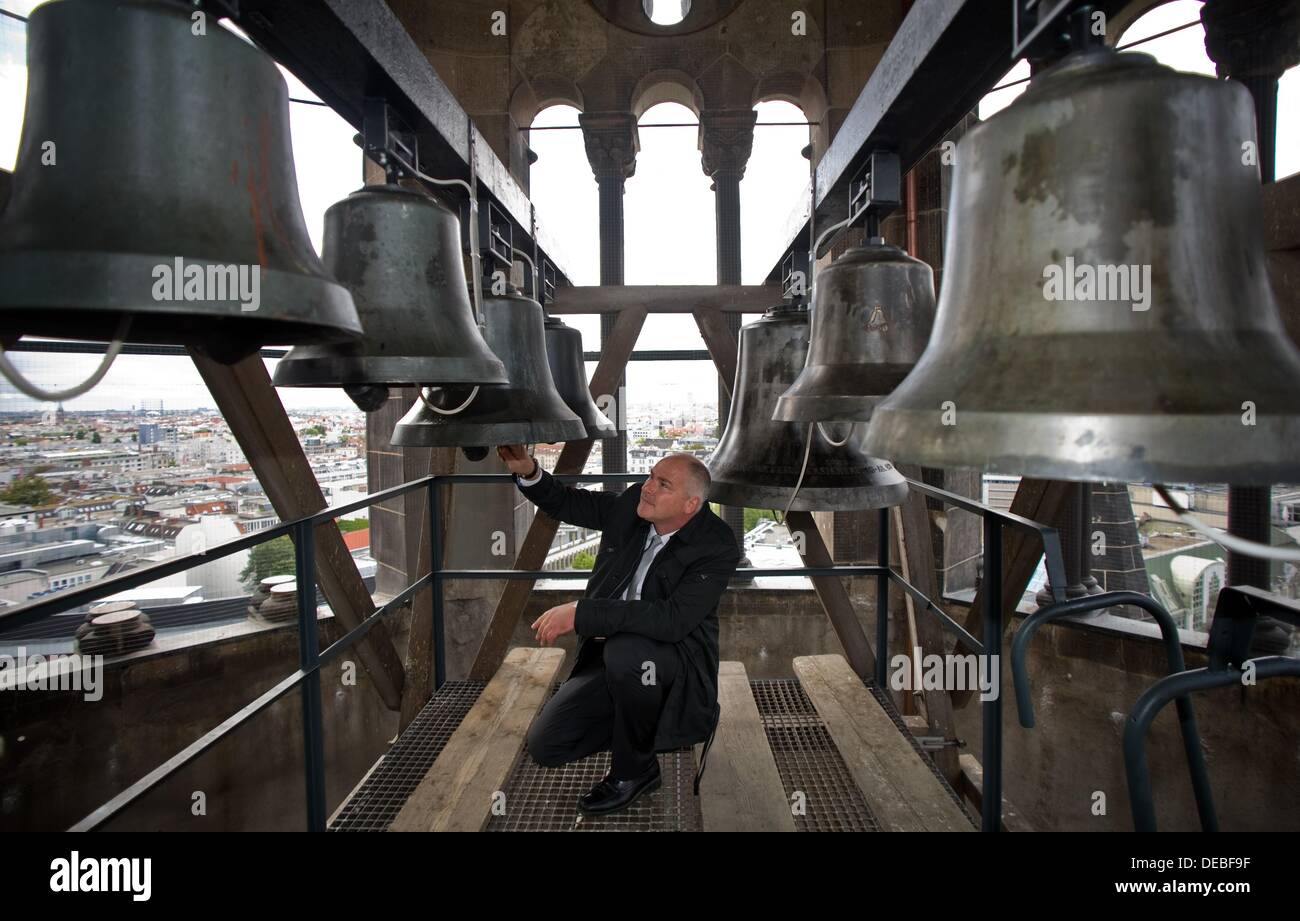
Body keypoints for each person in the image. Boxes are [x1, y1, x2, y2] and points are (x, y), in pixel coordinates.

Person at [497, 444, 741, 815]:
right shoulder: (633, 507)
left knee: (627, 652)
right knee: (548, 745)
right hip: (614, 660)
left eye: (663, 484)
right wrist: (528, 470)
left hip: (675, 662)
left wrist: (583, 613)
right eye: (650, 477)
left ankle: (635, 770)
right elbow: (568, 503)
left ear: (691, 505)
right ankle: (641, 717)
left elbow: (671, 620)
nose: (647, 487)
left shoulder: (716, 544)